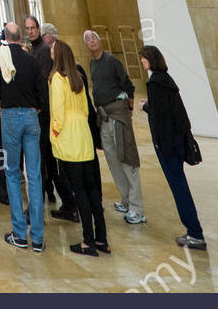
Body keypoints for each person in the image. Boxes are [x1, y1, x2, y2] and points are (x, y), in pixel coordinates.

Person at [139, 45, 206, 250]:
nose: (141, 62)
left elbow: (161, 118)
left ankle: (195, 232)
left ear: (150, 59)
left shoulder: (156, 83)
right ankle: (194, 231)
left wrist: (145, 107)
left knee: (179, 188)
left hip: (168, 145)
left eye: (143, 58)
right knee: (180, 186)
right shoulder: (165, 80)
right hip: (176, 142)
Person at [49, 40, 109, 257]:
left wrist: (54, 136)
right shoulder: (78, 78)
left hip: (68, 138)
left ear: (57, 56)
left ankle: (88, 240)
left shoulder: (57, 79)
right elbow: (85, 110)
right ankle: (101, 238)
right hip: (84, 136)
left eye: (52, 51)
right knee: (93, 189)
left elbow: (57, 113)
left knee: (79, 191)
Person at [0, 21, 46, 252]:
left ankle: (19, 234)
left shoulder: (0, 57)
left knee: (12, 172)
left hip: (11, 116)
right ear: (20, 36)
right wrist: (35, 109)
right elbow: (42, 91)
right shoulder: (31, 60)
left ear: (4, 36)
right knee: (33, 175)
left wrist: (4, 104)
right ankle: (39, 238)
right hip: (32, 117)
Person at [84, 30, 146, 224]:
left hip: (118, 114)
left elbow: (128, 86)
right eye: (87, 39)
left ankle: (137, 208)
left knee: (126, 158)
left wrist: (128, 108)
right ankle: (126, 200)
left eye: (94, 37)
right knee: (112, 159)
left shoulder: (111, 61)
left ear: (100, 41)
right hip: (104, 116)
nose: (91, 41)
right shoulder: (92, 63)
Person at [32, 22, 79, 223]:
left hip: (50, 123)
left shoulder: (56, 77)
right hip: (56, 124)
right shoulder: (71, 76)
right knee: (52, 165)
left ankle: (65, 204)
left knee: (48, 163)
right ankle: (70, 203)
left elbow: (52, 100)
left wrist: (54, 127)